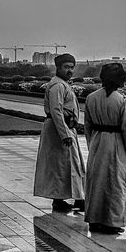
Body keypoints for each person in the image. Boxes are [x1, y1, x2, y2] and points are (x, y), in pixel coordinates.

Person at [83, 63, 126, 234]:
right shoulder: (123, 101)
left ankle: (94, 218)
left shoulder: (91, 98)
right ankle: (112, 221)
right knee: (115, 183)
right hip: (116, 144)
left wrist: (92, 144)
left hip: (97, 142)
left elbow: (87, 127)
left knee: (96, 183)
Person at [34, 53, 86, 211]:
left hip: (66, 128)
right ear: (58, 68)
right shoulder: (57, 85)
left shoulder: (63, 84)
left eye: (72, 67)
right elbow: (56, 111)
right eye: (66, 67)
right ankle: (61, 199)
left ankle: (78, 197)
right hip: (59, 131)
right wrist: (64, 134)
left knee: (72, 164)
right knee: (60, 167)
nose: (70, 70)